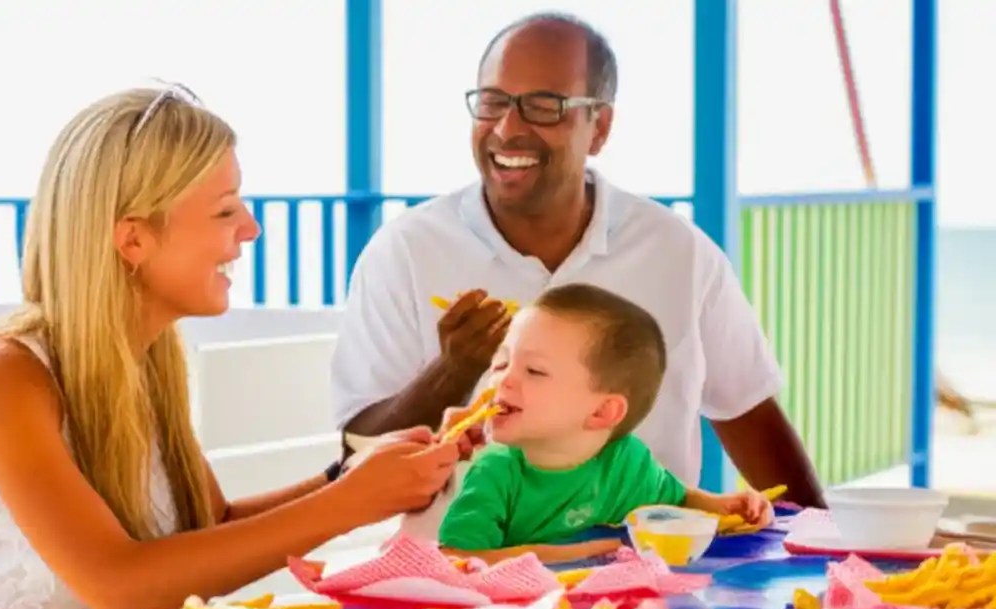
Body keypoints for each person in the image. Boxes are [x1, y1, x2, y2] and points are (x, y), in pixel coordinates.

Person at [0, 85, 461, 609]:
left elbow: (207, 525)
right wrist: (349, 502)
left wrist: (348, 475)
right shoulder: (5, 378)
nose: (251, 229)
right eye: (225, 210)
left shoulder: (147, 361)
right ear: (134, 239)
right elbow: (124, 591)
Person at [330, 12, 824, 507]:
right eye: (493, 102)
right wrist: (453, 371)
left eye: (544, 107)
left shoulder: (679, 253)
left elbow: (750, 416)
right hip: (459, 571)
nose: (507, 128)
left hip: (654, 571)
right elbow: (358, 456)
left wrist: (829, 551)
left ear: (600, 127)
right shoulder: (407, 251)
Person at [438, 284, 773, 554]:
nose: (503, 380)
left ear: (602, 412)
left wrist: (726, 505)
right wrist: (573, 553)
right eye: (500, 363)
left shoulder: (626, 461)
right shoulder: (496, 471)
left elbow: (675, 498)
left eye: (534, 371)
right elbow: (457, 560)